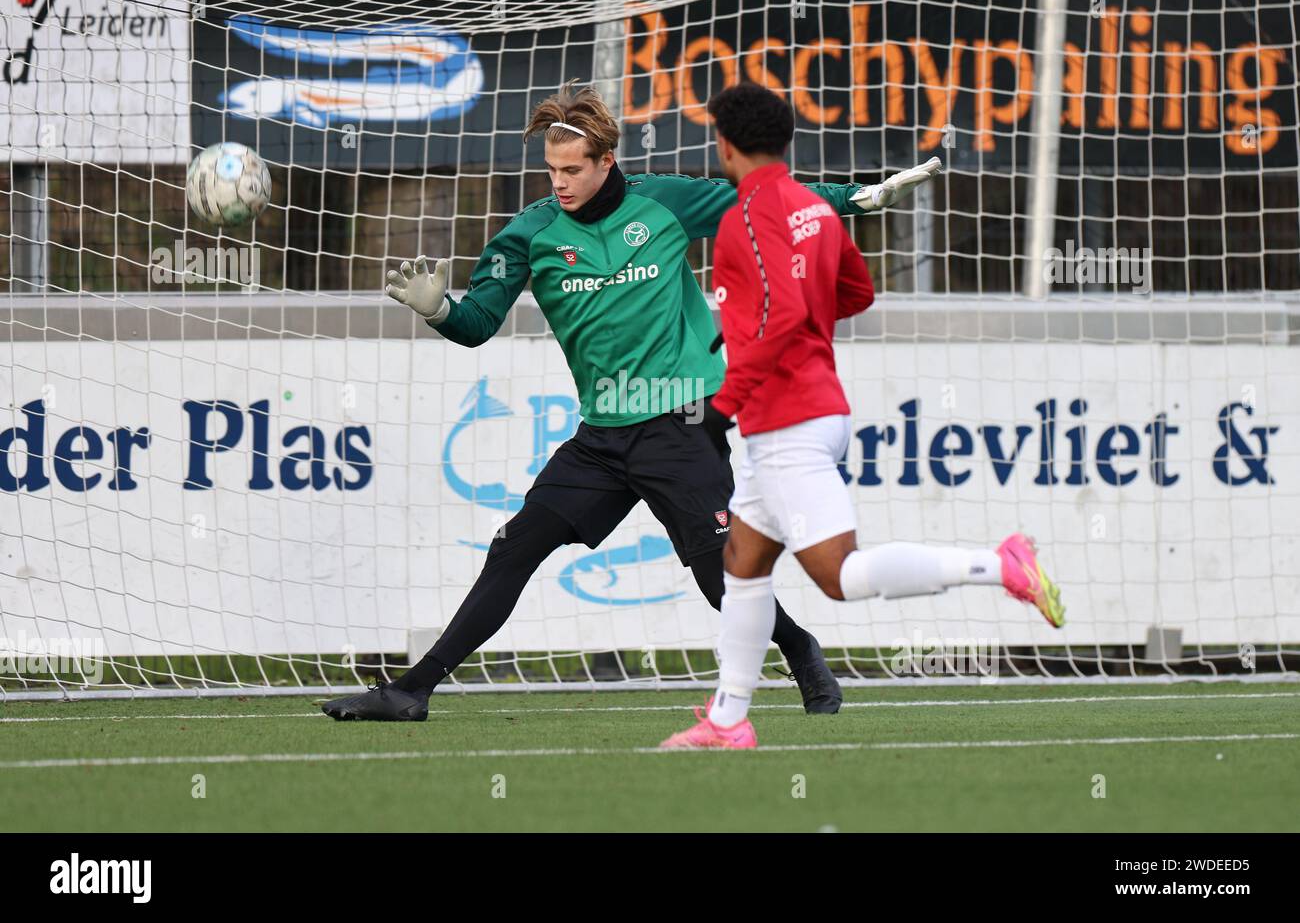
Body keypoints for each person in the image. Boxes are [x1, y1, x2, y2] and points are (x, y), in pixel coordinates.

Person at [323, 81, 876, 722]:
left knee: (716, 577)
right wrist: (441, 309)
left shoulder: (664, 202)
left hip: (681, 423)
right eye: (552, 170)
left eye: (572, 170)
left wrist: (853, 199)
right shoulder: (530, 232)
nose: (559, 182)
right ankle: (412, 690)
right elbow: (477, 323)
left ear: (606, 161)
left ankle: (801, 649)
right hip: (602, 437)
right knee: (514, 548)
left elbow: (768, 203)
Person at [661, 84, 1065, 750]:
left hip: (786, 418)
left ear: (724, 145)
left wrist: (721, 404)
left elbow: (780, 316)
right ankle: (729, 720)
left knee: (838, 576)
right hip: (806, 409)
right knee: (743, 561)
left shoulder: (743, 217)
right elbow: (857, 290)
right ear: (786, 143)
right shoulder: (816, 209)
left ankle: (1001, 564)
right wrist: (800, 325)